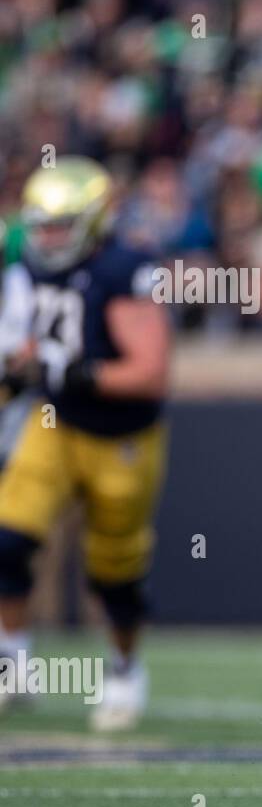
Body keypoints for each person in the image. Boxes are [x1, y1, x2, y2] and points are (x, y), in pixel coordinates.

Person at [0, 158, 169, 731]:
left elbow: (149, 372)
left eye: (61, 224)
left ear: (94, 223)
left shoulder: (123, 270)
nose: (47, 237)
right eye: (40, 224)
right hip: (55, 424)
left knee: (113, 573)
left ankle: (125, 668)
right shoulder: (26, 268)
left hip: (121, 440)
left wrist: (75, 372)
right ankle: (13, 661)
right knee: (7, 537)